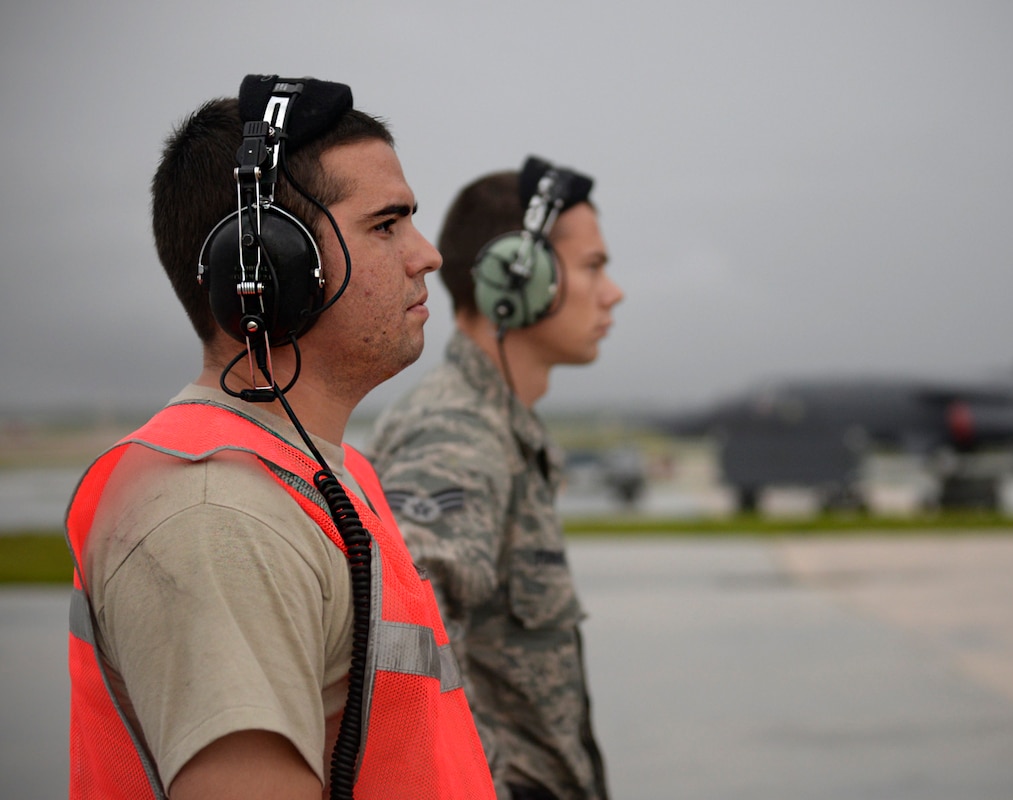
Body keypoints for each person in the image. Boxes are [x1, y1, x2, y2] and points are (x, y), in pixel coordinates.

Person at [63, 75, 495, 799]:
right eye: (386, 225)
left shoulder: (320, 476)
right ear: (266, 267)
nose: (428, 256)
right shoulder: (216, 516)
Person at [364, 156, 623, 800]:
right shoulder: (456, 435)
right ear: (518, 275)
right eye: (593, 267)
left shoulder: (498, 427)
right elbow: (409, 662)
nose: (612, 291)